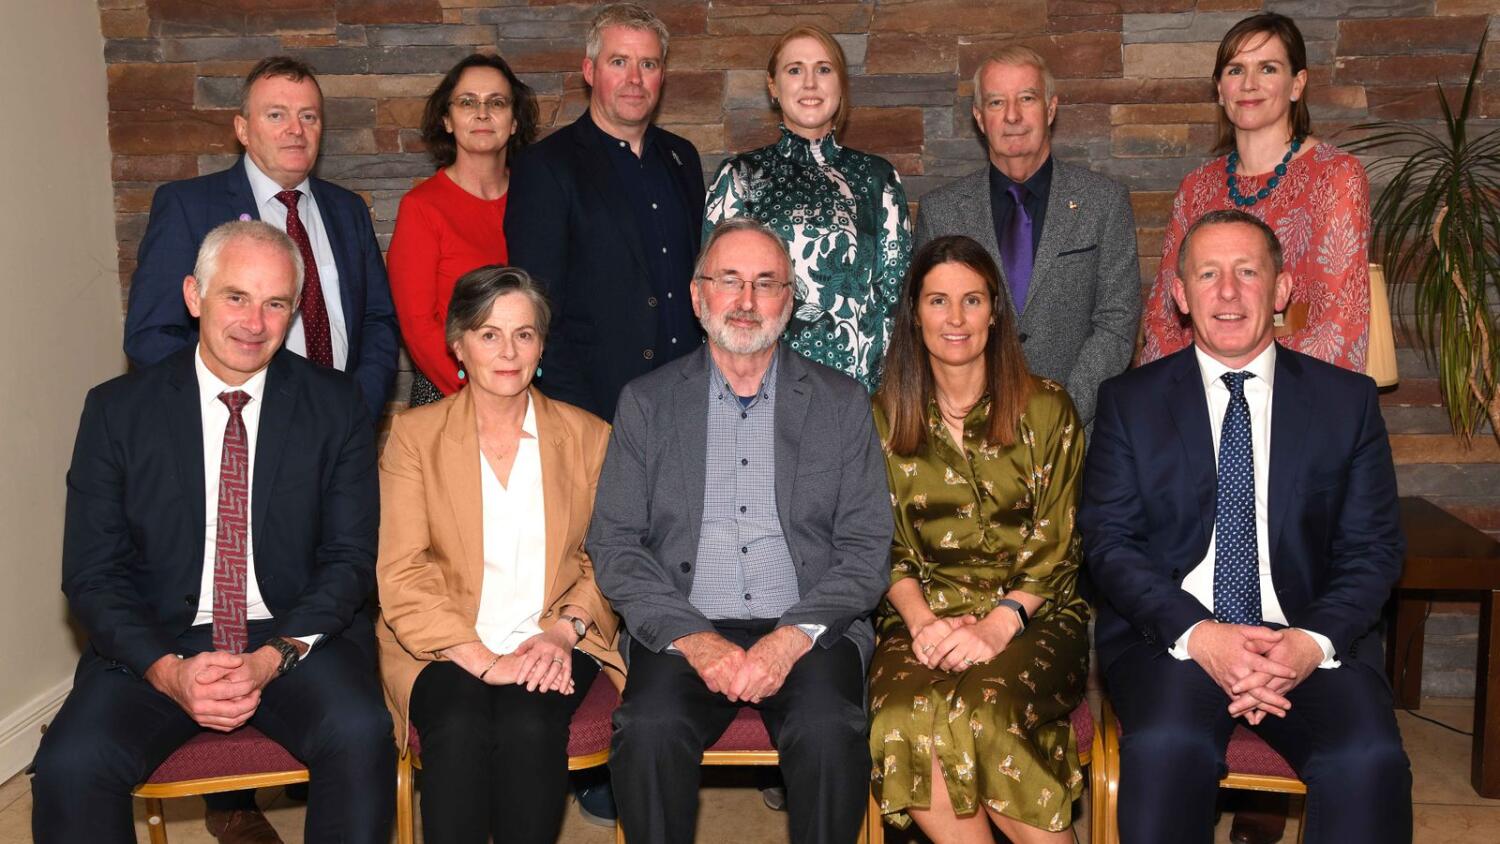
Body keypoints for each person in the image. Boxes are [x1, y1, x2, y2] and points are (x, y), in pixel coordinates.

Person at [32, 221, 394, 843]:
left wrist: (270, 657)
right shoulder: (117, 411)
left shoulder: (335, 406)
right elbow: (93, 573)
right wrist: (168, 670)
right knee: (70, 765)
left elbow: (349, 560)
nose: (254, 323)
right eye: (236, 297)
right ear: (194, 296)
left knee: (361, 735)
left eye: (275, 303)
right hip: (157, 639)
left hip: (295, 637)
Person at [1079, 209, 1412, 844]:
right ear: (1180, 295)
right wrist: (1200, 635)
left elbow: (1373, 549)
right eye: (1208, 274)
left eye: (1247, 273)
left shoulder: (1347, 401)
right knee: (1168, 747)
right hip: (1173, 639)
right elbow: (1111, 544)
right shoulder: (1129, 402)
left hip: (1310, 634)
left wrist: (1309, 643)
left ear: (1282, 289)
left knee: (1367, 761)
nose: (1227, 293)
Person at [588, 217, 893, 844]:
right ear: (700, 297)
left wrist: (787, 641)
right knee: (646, 730)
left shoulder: (841, 403)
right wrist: (697, 641)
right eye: (730, 282)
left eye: (765, 283)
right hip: (685, 625)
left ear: (789, 299)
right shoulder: (647, 403)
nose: (747, 302)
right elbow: (614, 543)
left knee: (831, 732)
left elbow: (866, 549)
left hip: (809, 626)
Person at [376, 266, 625, 843]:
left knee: (529, 722)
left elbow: (611, 556)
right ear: (458, 345)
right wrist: (485, 660)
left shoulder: (589, 436)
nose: (508, 351)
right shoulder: (415, 437)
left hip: (557, 634)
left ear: (542, 345)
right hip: (441, 642)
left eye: (524, 333)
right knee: (459, 723)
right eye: (489, 334)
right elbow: (402, 571)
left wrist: (564, 632)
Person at [869, 235, 1090, 843]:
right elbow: (879, 545)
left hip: (1036, 616)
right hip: (923, 616)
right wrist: (920, 624)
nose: (956, 318)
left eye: (972, 300)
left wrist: (998, 625)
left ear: (995, 310)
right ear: (915, 312)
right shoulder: (882, 417)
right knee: (900, 717)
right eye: (938, 301)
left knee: (983, 713)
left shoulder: (1048, 408)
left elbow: (1058, 544)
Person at [125, 56, 398, 426]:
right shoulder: (188, 207)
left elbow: (377, 320)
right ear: (242, 129)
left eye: (308, 117)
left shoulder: (347, 210)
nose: (295, 130)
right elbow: (151, 335)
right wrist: (236, 411)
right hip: (237, 430)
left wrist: (356, 408)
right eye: (276, 115)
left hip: (343, 432)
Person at [914, 46, 1138, 431]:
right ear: (979, 118)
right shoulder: (941, 212)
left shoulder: (1103, 202)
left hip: (1077, 438)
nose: (1013, 116)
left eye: (1027, 99)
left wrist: (1058, 415)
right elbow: (927, 324)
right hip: (969, 435)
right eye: (997, 102)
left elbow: (1117, 323)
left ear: (1050, 109)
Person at [505, 3, 704, 422]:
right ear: (590, 71)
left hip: (687, 403)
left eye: (647, 64)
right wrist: (580, 418)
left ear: (662, 76)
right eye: (619, 62)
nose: (635, 78)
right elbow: (536, 308)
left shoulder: (682, 157)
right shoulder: (545, 167)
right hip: (595, 408)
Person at [1141, 12, 1370, 374]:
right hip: (1199, 397)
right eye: (1235, 70)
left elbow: (1339, 323)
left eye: (1267, 68)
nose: (1249, 84)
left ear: (1297, 84)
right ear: (1219, 89)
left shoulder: (1336, 175)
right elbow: (1164, 319)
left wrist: (1244, 378)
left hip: (1299, 396)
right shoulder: (1196, 188)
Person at [703, 24, 912, 392]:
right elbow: (716, 295)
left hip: (857, 397)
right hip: (758, 391)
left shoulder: (877, 178)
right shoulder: (738, 176)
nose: (810, 83)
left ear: (841, 84)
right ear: (773, 87)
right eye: (795, 69)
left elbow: (896, 300)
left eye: (824, 69)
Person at [388, 55, 538, 407]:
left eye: (497, 102)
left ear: (515, 121)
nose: (482, 114)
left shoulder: (539, 200)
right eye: (467, 102)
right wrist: (480, 397)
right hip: (450, 396)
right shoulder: (422, 207)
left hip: (530, 395)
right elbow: (419, 327)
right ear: (447, 120)